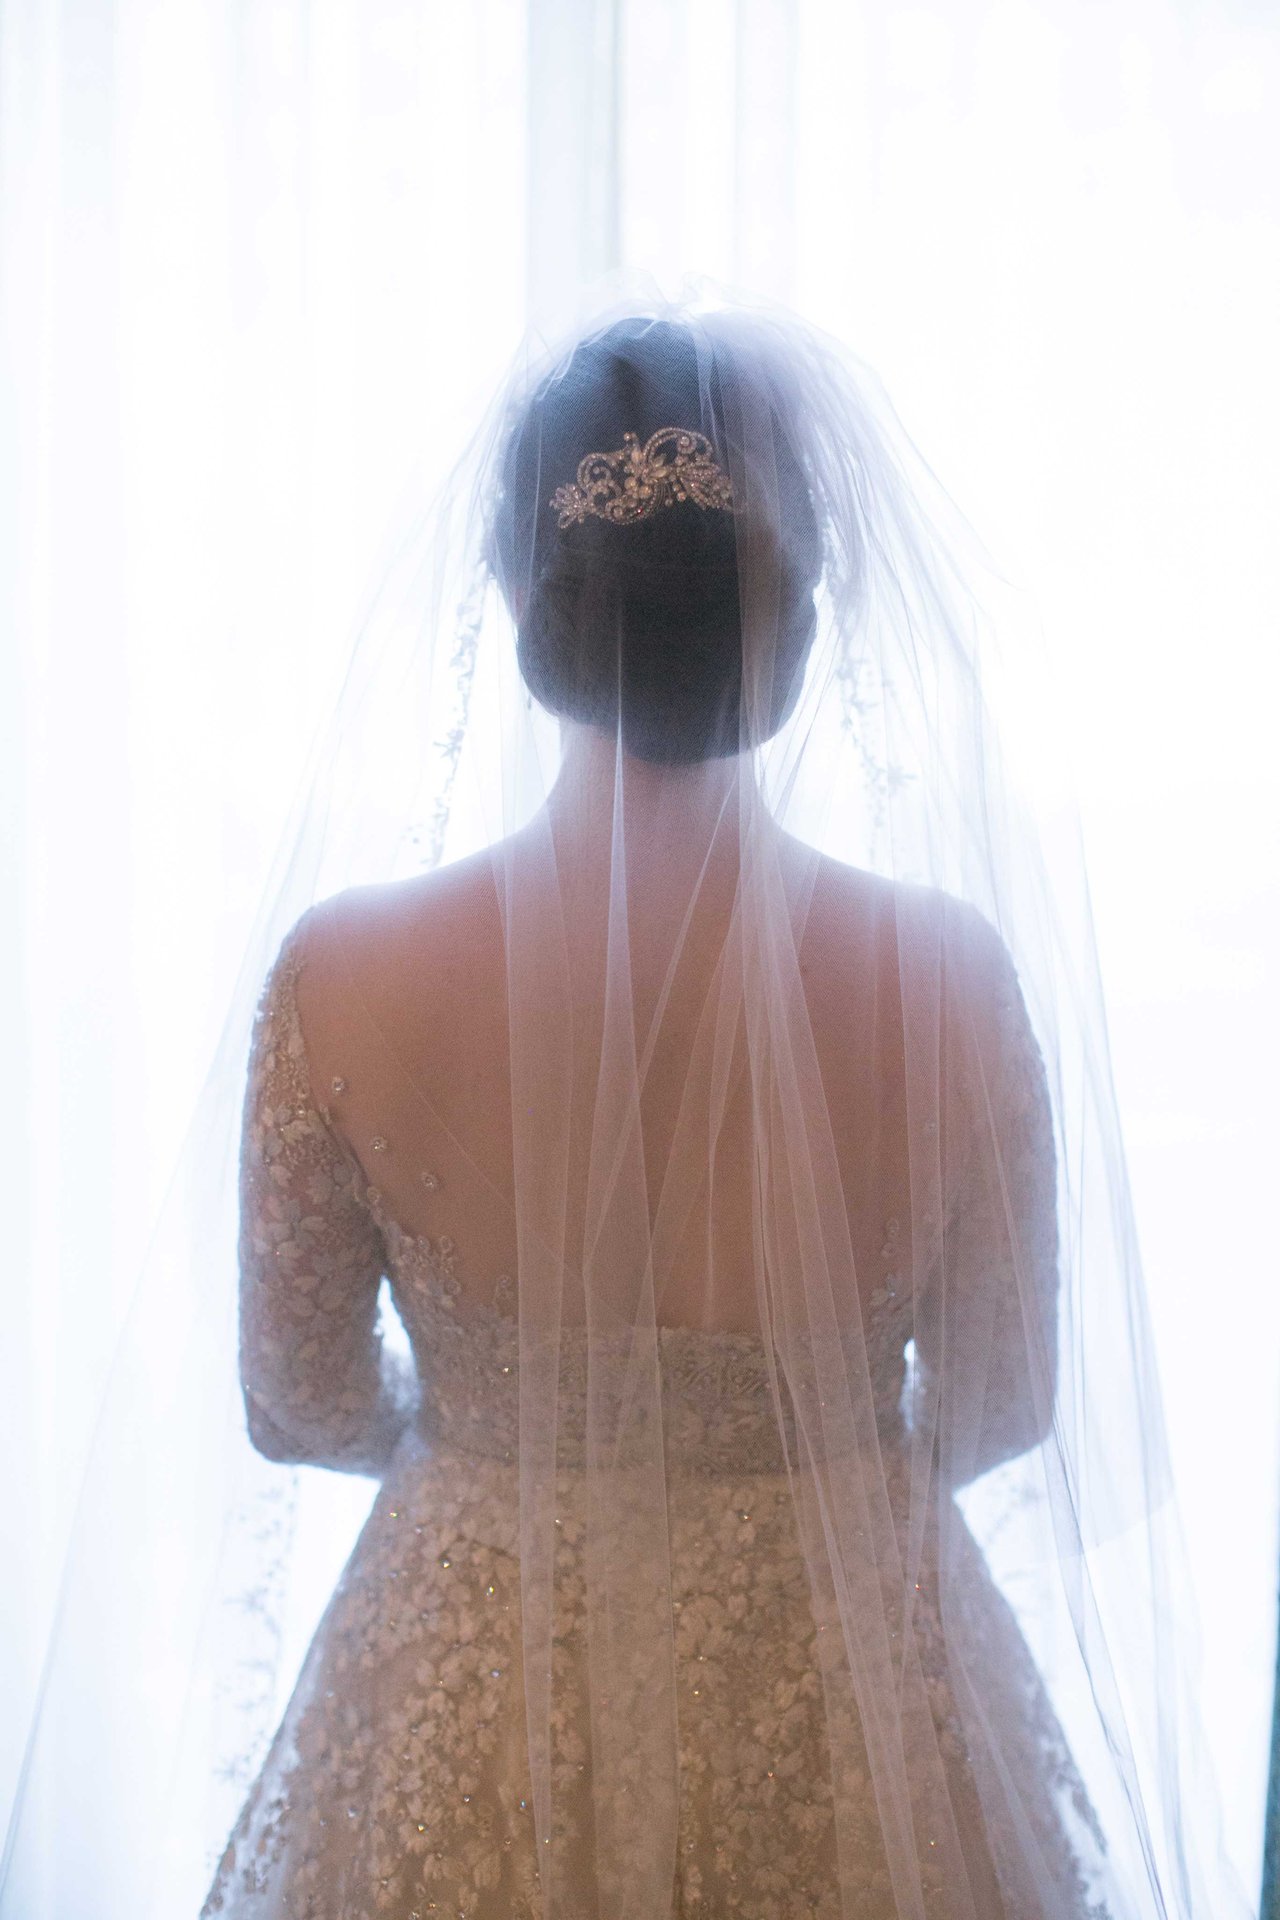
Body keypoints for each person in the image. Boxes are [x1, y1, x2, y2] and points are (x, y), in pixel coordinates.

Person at [4, 294, 1248, 1920]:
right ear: (799, 603)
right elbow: (1005, 1403)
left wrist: (500, 1437)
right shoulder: (950, 980)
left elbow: (298, 1407)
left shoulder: (346, 977)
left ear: (523, 597)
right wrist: (792, 1451)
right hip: (853, 1685)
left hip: (474, 1658)